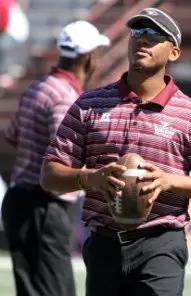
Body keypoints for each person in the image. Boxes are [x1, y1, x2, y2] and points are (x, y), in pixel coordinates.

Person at [40, 8, 191, 296]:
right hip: (104, 244)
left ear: (174, 52)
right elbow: (50, 175)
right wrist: (92, 178)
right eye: (137, 33)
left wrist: (169, 181)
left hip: (160, 244)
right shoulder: (88, 104)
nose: (142, 40)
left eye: (154, 36)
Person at [1, 20, 110, 296]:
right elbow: (64, 157)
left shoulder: (38, 87)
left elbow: (13, 135)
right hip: (44, 206)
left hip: (20, 199)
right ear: (88, 58)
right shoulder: (66, 96)